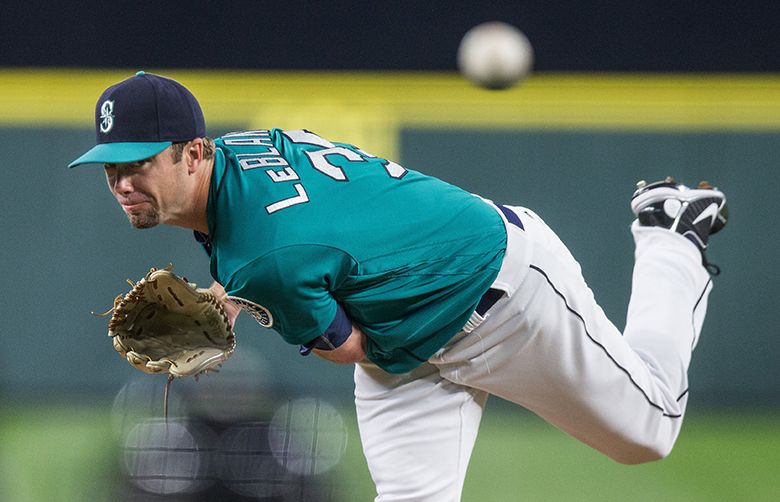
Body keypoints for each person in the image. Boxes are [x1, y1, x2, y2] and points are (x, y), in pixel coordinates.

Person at [70, 72, 728, 501]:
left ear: (191, 151)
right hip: (411, 345)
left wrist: (249, 300)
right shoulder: (247, 149)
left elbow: (347, 345)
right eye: (110, 169)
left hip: (502, 295)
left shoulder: (260, 262)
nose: (123, 183)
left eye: (139, 163)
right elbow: (305, 228)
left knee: (649, 433)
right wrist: (233, 298)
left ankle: (670, 231)